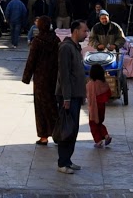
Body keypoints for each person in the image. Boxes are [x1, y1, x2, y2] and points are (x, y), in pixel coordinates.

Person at [20, 15, 61, 145]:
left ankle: (44, 136)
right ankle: (58, 134)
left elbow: (31, 60)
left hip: (41, 79)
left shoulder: (37, 41)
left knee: (41, 108)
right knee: (53, 105)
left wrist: (26, 77)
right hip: (54, 77)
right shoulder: (56, 40)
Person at [54, 19, 88, 173]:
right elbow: (64, 75)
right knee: (66, 129)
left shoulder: (76, 47)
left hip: (76, 95)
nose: (86, 34)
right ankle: (62, 162)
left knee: (73, 130)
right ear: (75, 31)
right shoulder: (66, 48)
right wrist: (66, 98)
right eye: (84, 31)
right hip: (68, 96)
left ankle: (68, 160)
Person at [86, 62, 113, 148]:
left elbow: (88, 96)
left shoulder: (90, 84)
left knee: (93, 123)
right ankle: (106, 135)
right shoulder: (103, 83)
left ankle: (98, 141)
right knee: (99, 122)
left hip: (94, 107)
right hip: (102, 106)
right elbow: (108, 93)